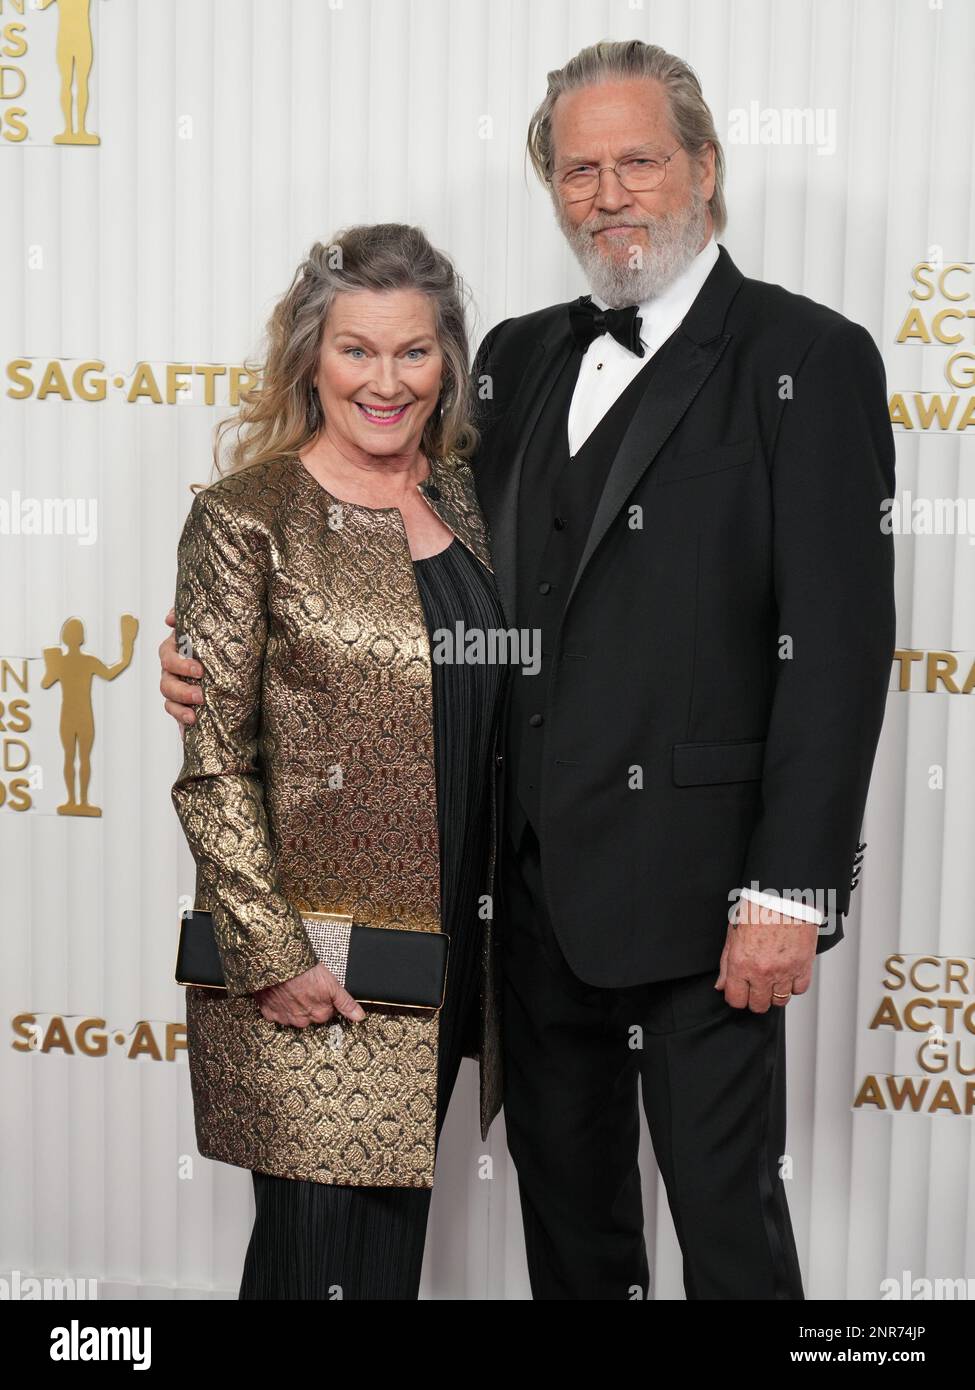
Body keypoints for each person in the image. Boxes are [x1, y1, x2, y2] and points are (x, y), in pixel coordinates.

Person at [162, 41, 896, 1300]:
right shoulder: (513, 354)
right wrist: (230, 656)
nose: (608, 194)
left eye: (638, 161)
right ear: (551, 188)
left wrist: (788, 886)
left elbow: (837, 640)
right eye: (577, 170)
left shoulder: (808, 356)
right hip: (524, 903)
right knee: (573, 1224)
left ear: (706, 168)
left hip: (708, 899)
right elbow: (441, 577)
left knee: (726, 1224)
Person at [168, 222, 506, 1300]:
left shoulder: (471, 499)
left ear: (446, 357)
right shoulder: (245, 519)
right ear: (313, 354)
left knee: (382, 1263)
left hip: (451, 956)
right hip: (316, 967)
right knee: (315, 1260)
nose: (387, 379)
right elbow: (214, 762)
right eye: (357, 348)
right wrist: (270, 955)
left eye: (413, 350)